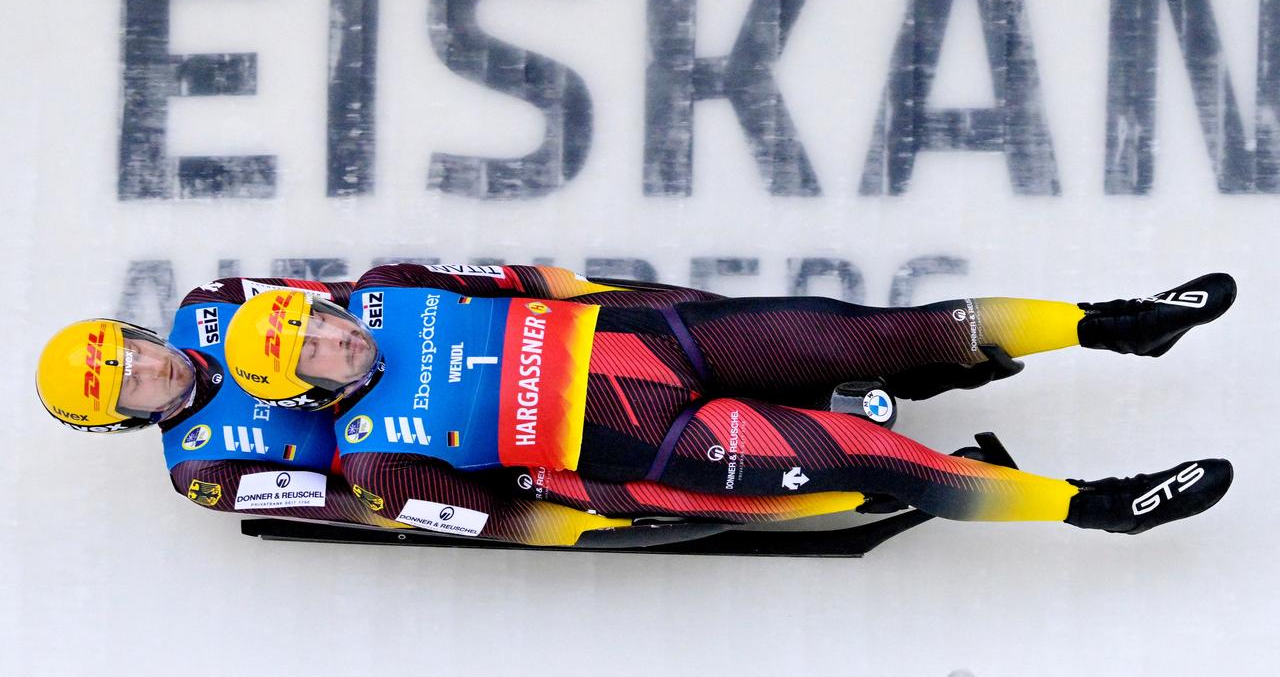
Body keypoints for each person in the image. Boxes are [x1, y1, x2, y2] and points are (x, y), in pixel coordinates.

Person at [221, 264, 1237, 547]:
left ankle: (1114, 323)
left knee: (895, 330)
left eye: (319, 320)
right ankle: (1097, 507)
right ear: (309, 390)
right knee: (876, 458)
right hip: (655, 439)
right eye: (312, 355)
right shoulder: (372, 457)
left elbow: (543, 281)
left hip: (664, 339)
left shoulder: (392, 288)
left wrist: (671, 302)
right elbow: (503, 519)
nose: (335, 340)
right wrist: (621, 516)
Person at [35, 276, 402, 529]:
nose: (154, 366)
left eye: (135, 350)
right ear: (127, 419)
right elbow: (357, 505)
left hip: (398, 354)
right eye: (133, 383)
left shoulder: (213, 301)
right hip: (411, 442)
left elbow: (344, 297)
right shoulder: (200, 470)